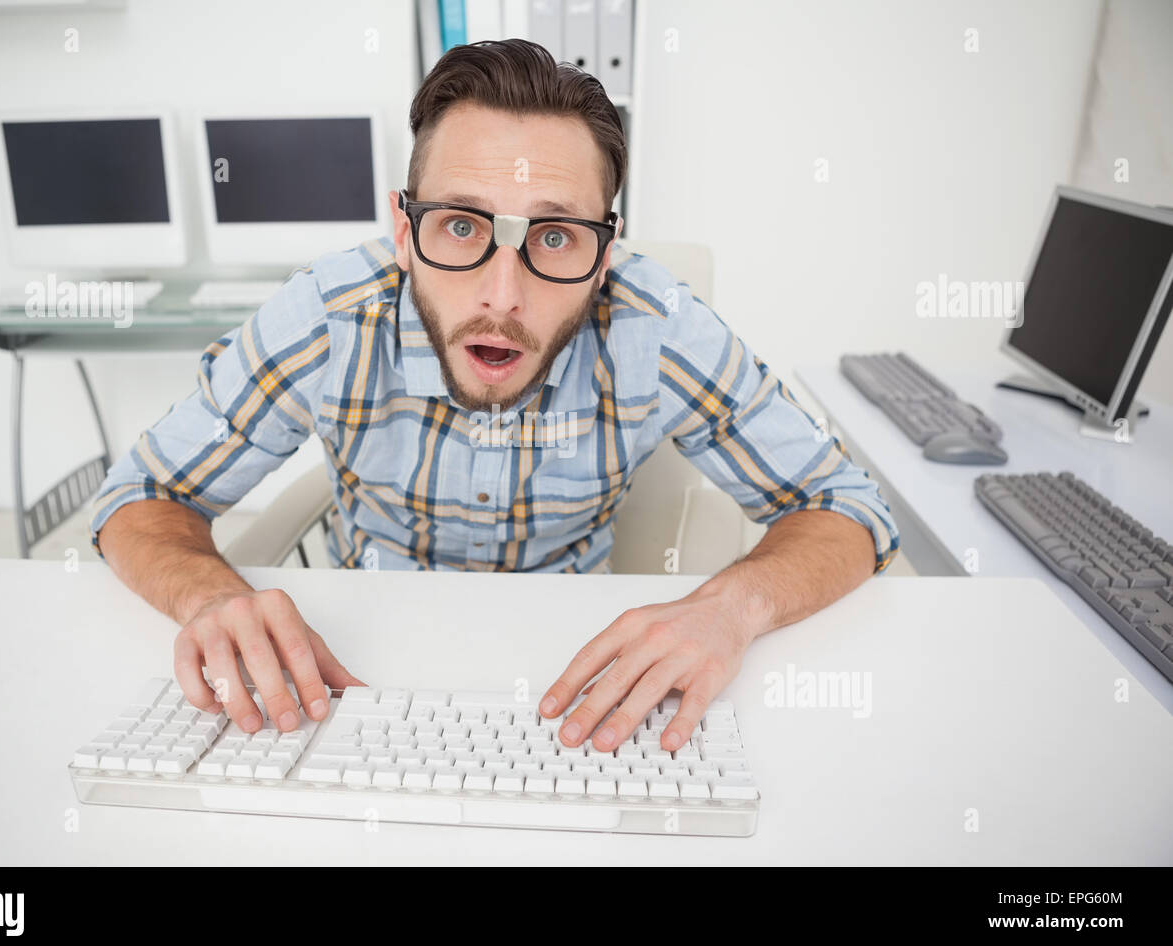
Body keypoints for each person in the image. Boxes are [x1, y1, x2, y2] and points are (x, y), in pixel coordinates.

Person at [91, 39, 898, 757]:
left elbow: (848, 508)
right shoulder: (329, 318)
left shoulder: (659, 325)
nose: (502, 297)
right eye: (461, 227)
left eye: (554, 236)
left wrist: (732, 606)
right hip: (354, 668)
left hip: (575, 672)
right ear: (405, 235)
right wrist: (211, 593)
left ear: (607, 253)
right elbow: (140, 495)